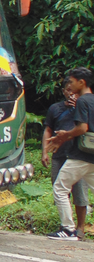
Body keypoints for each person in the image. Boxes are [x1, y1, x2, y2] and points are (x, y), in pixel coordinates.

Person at [47, 67, 94, 240]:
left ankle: (67, 229)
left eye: (72, 81)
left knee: (59, 188)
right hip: (92, 157)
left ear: (82, 82)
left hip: (80, 155)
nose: (70, 85)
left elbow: (82, 128)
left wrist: (65, 135)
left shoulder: (82, 101)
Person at [42, 78, 86, 236]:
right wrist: (44, 151)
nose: (70, 93)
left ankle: (80, 227)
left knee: (80, 193)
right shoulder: (56, 108)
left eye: (73, 90)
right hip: (59, 154)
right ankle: (67, 225)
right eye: (68, 90)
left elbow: (84, 127)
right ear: (63, 92)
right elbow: (48, 130)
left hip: (78, 155)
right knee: (60, 190)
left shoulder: (83, 106)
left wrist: (77, 108)